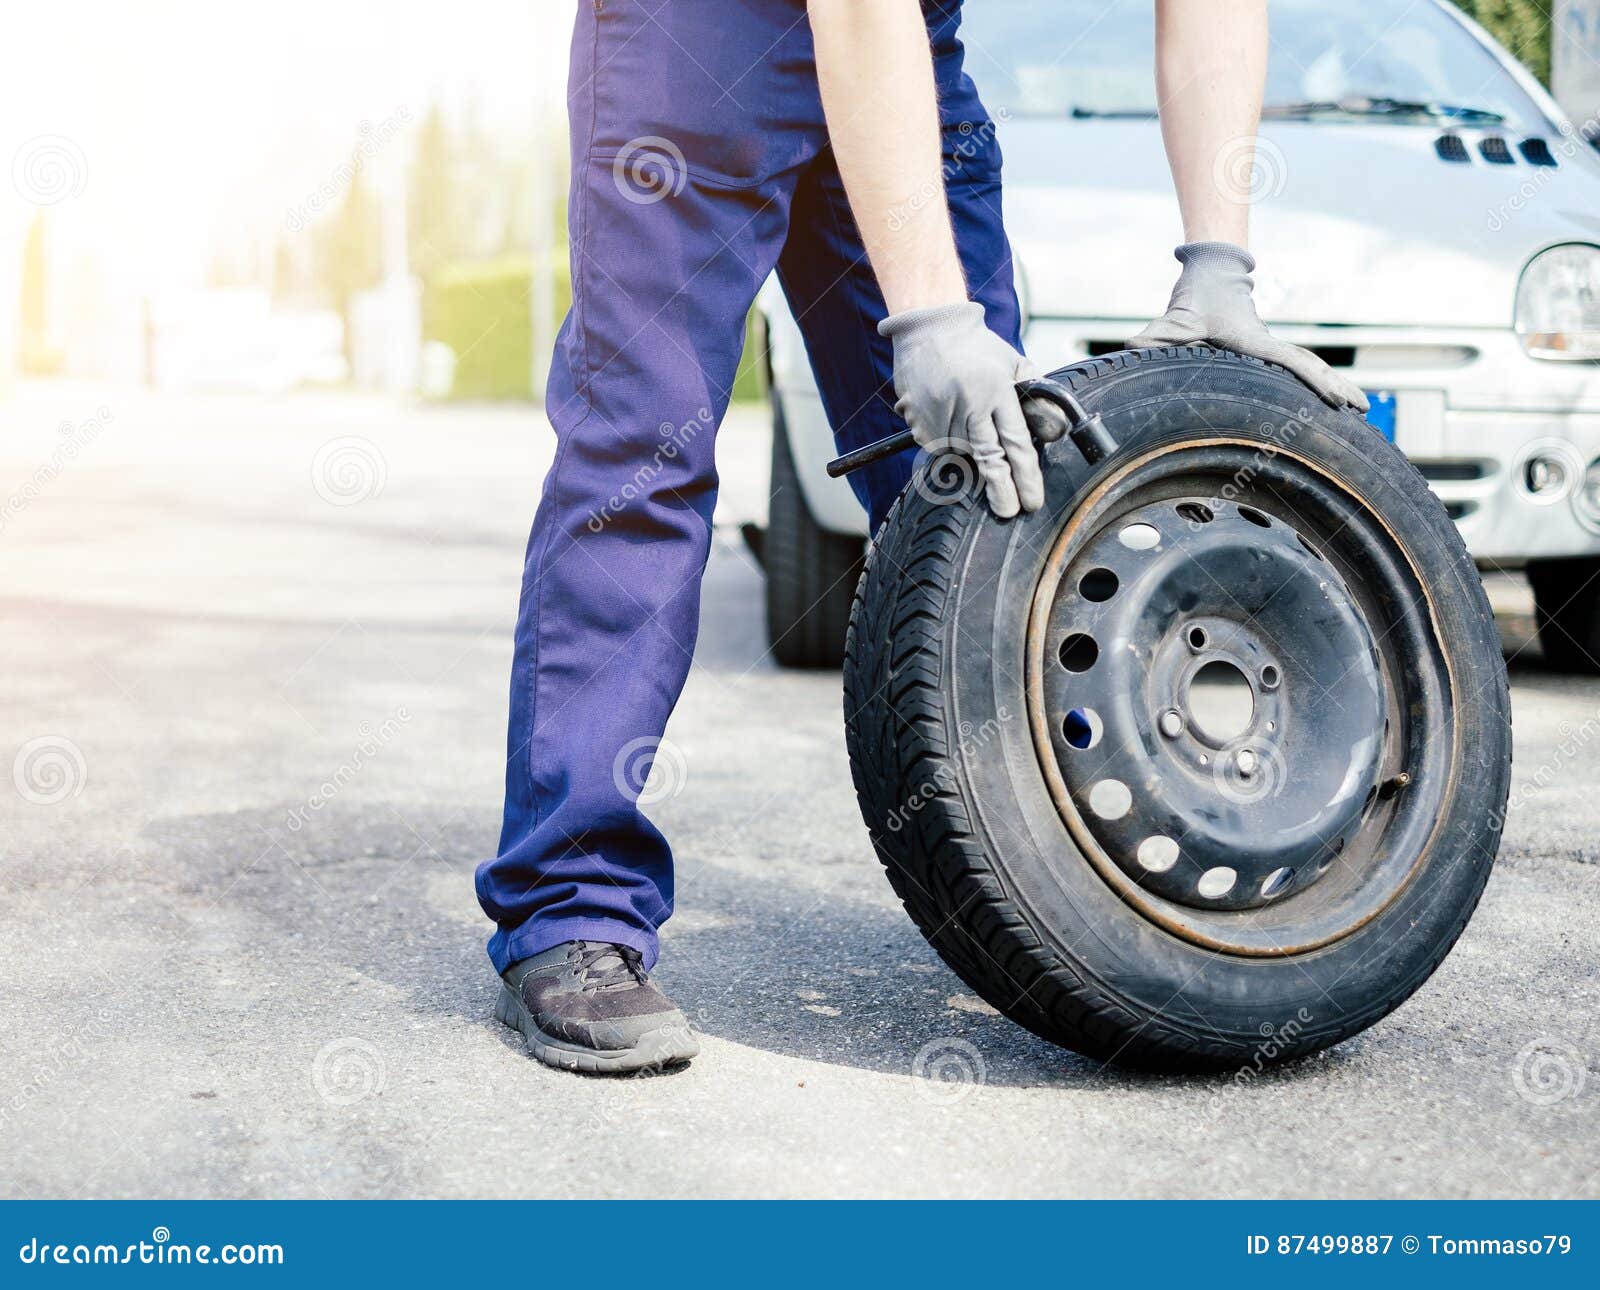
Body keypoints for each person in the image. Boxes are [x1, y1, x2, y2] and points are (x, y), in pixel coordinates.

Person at [476, 0, 1369, 1074]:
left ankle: (1066, 871)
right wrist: (930, 321)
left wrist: (1219, 265)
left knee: (989, 477)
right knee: (642, 467)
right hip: (693, 44)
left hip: (912, 55)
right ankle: (572, 909)